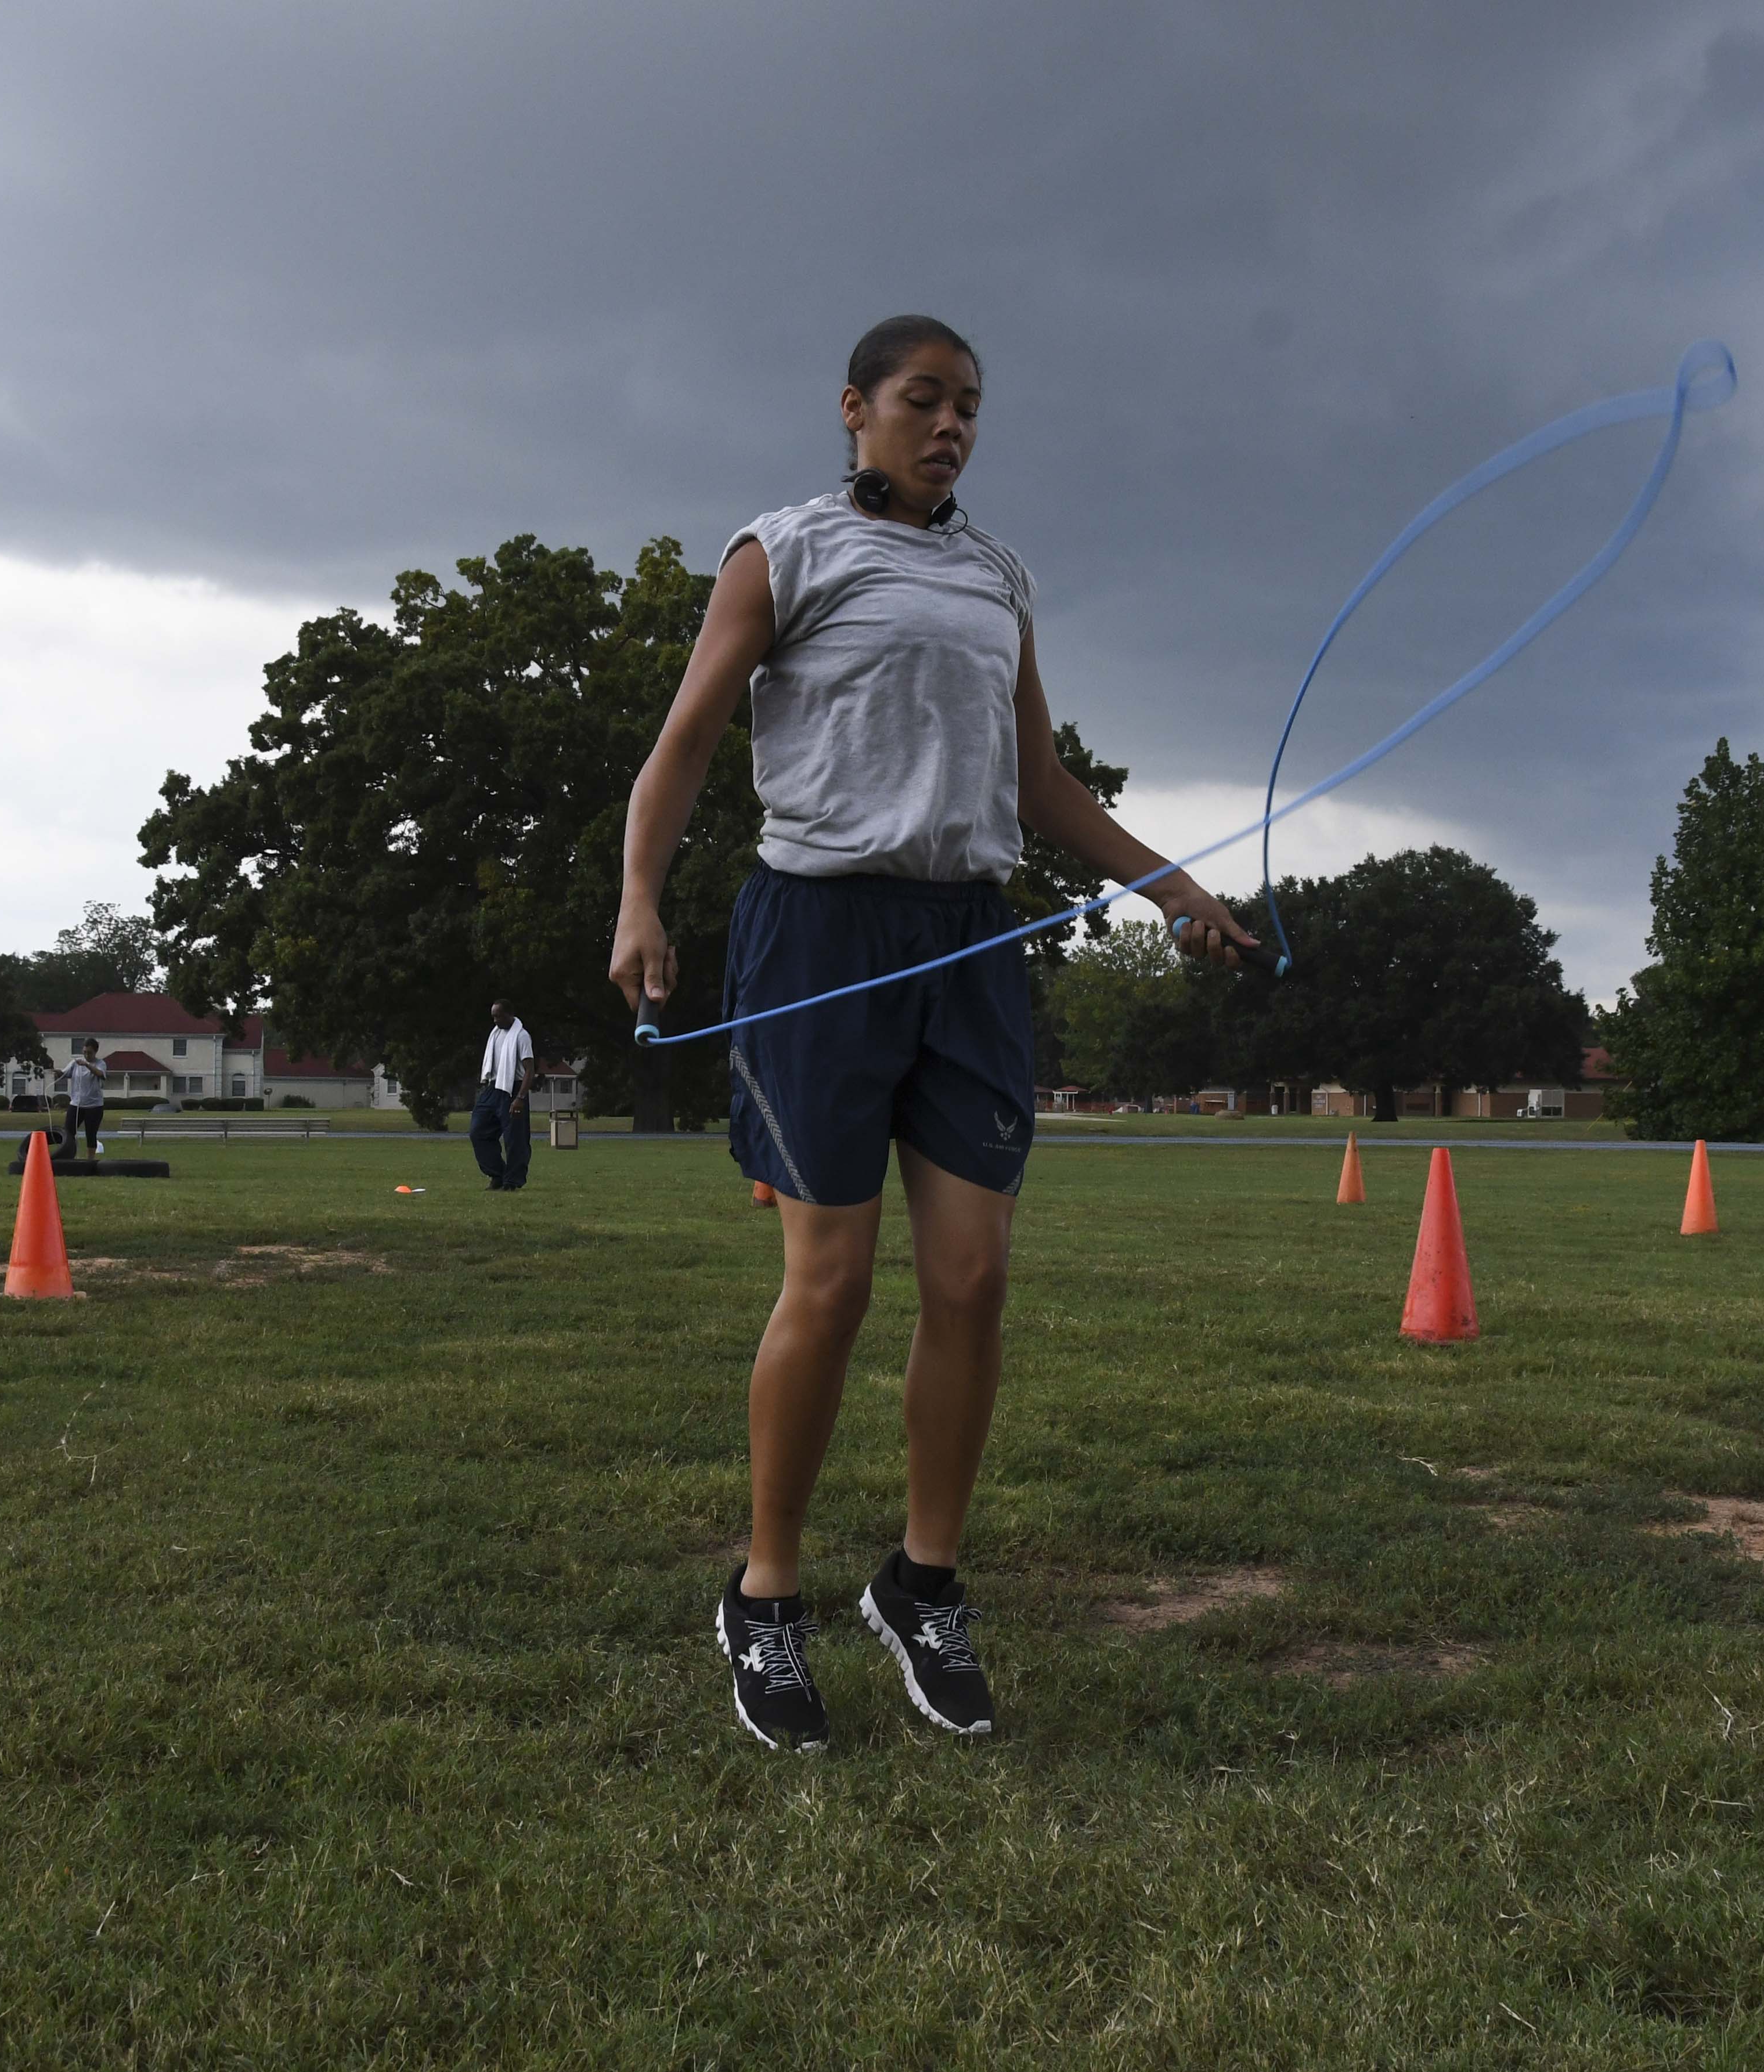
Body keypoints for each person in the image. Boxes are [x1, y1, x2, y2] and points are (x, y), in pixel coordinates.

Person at [608, 314, 1258, 1752]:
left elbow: (1041, 785)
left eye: (969, 406)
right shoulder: (782, 553)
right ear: (854, 408)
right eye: (923, 399)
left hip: (966, 938)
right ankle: (765, 1596)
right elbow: (690, 742)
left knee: (971, 1279)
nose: (951, 424)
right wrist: (639, 901)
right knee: (829, 1285)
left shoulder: (996, 577)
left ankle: (923, 1583)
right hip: (819, 937)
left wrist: (1173, 891)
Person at [471, 1001, 537, 1192]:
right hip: (494, 1087)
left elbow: (530, 1070)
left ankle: (512, 1182)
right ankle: (497, 1174)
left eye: (498, 1016)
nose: (495, 1020)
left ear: (510, 1014)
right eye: (493, 1016)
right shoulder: (496, 1034)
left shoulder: (522, 1036)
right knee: (478, 1131)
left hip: (513, 1089)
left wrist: (520, 1098)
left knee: (515, 1138)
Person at [58, 1038, 107, 1159]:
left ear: (95, 1052)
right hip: (76, 1105)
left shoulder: (100, 1064)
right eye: (85, 1052)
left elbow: (100, 1074)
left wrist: (87, 1065)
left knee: (91, 1134)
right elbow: (64, 1074)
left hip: (94, 1107)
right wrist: (57, 1072)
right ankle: (68, 1157)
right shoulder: (75, 1064)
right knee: (68, 1133)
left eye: (89, 1053)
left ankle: (90, 1161)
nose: (86, 1055)